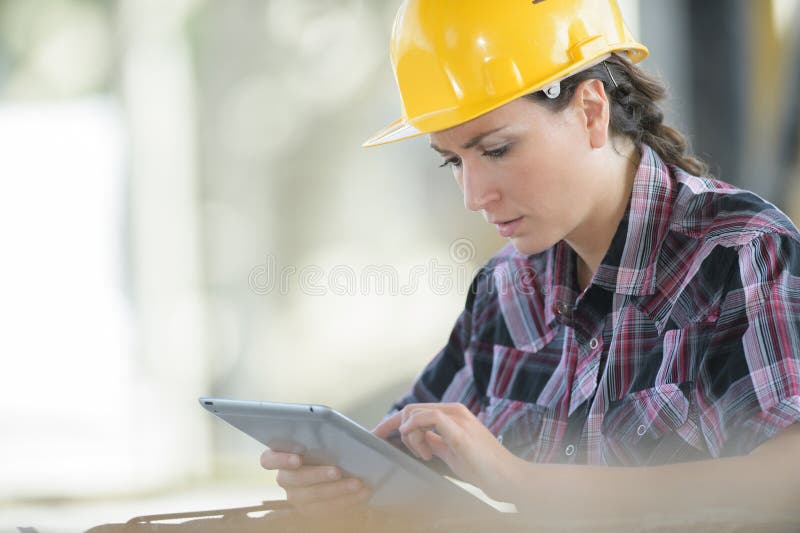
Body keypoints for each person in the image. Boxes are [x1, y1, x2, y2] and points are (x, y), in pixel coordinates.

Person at [261, 0, 800, 526]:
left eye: (496, 151)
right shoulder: (507, 289)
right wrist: (347, 484)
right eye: (454, 161)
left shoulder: (742, 255)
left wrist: (528, 484)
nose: (473, 195)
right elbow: (407, 453)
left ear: (592, 111)